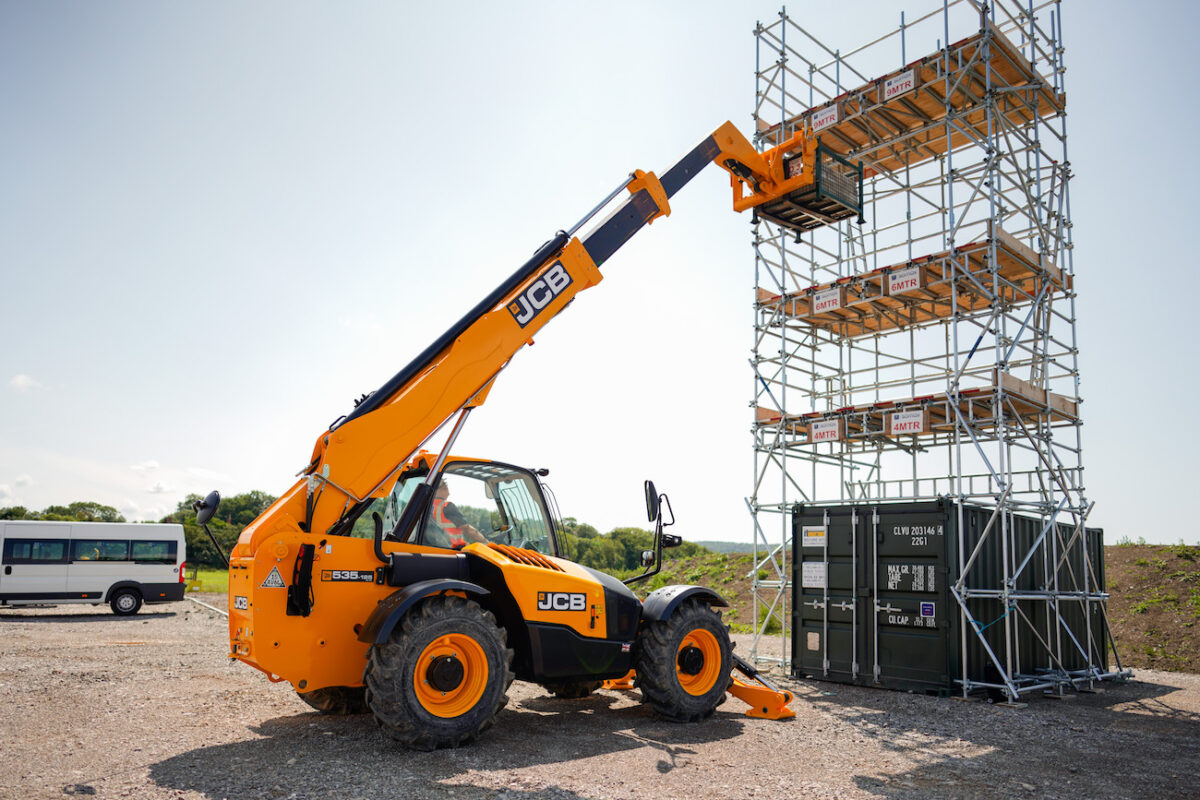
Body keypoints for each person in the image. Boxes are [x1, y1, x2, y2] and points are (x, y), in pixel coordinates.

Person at [428, 480, 487, 549]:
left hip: (438, 547)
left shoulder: (428, 507)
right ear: (436, 491)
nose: (446, 485)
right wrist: (486, 542)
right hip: (454, 548)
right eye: (443, 485)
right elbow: (467, 529)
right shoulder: (447, 506)